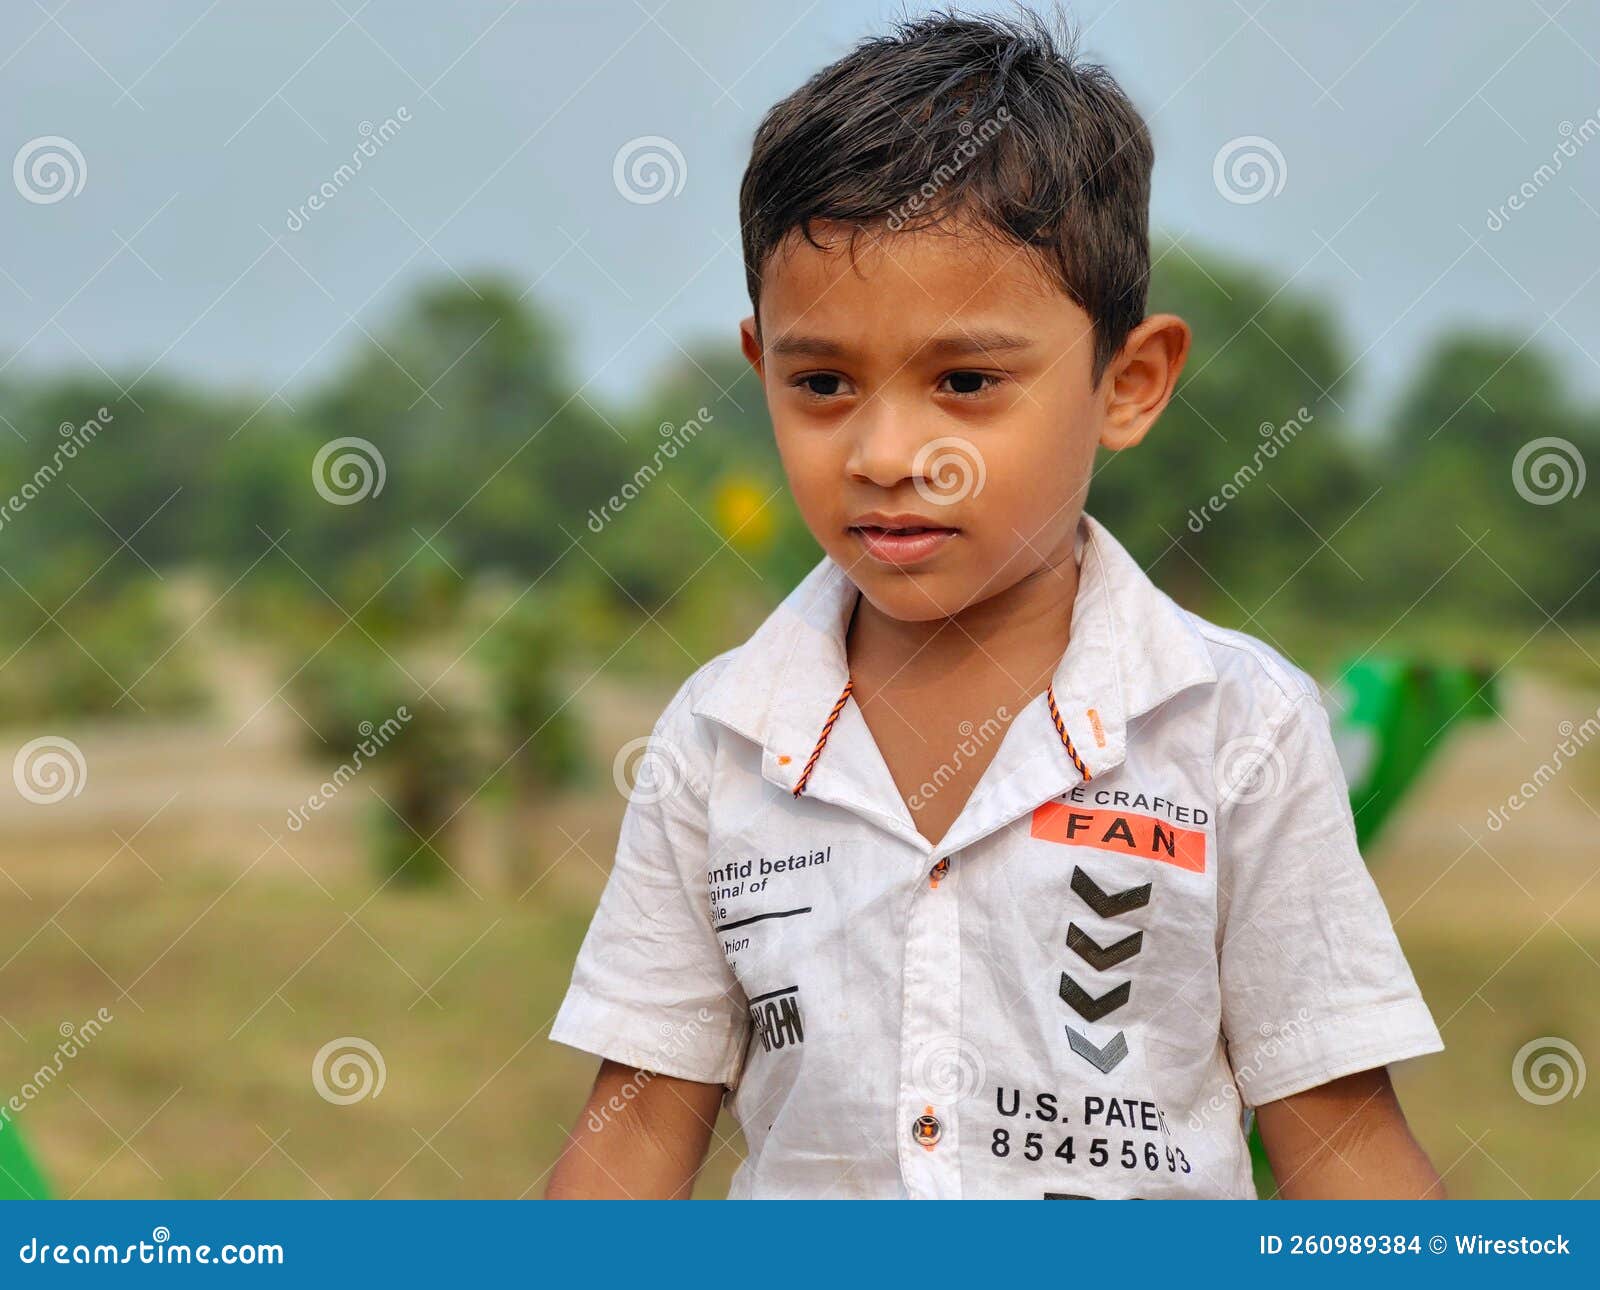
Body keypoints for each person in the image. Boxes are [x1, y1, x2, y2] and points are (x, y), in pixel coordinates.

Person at [546, 8, 1445, 1199]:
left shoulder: (1237, 730)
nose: (884, 450)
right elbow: (635, 1134)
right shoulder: (719, 743)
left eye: (965, 381)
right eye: (823, 383)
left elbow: (1343, 1149)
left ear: (1127, 384)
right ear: (761, 369)